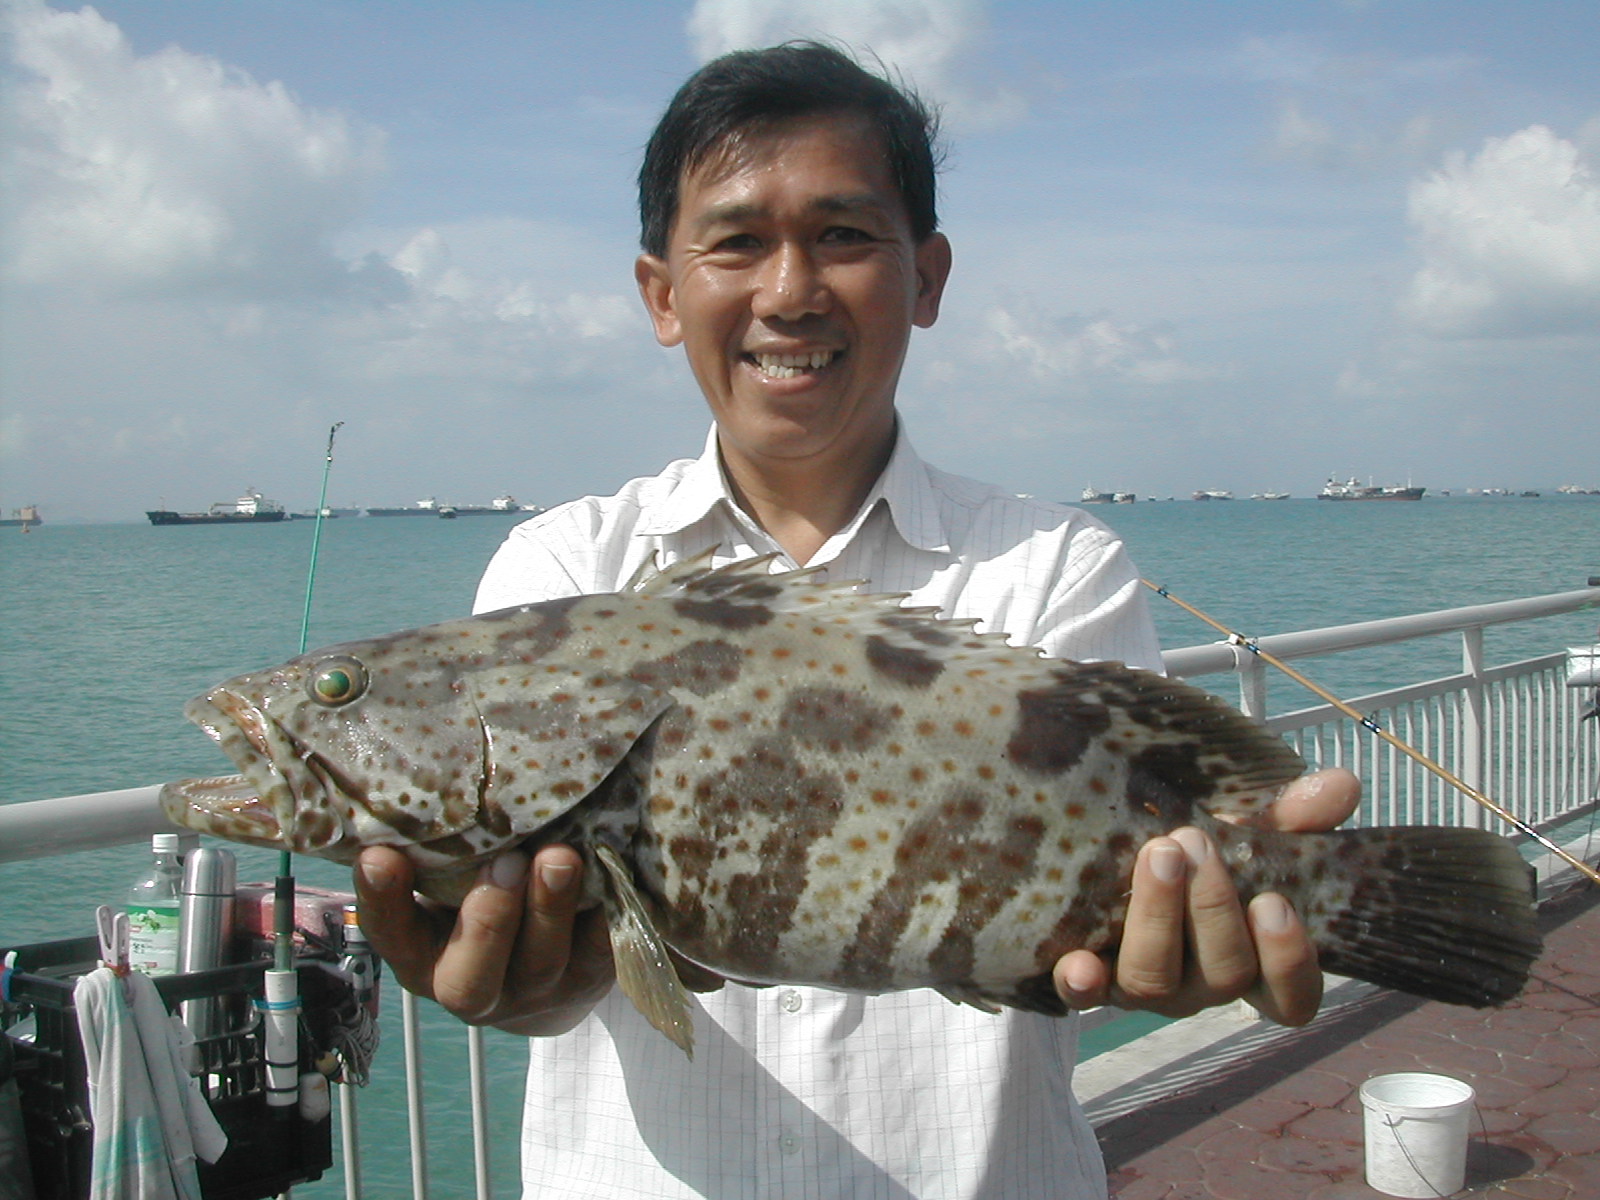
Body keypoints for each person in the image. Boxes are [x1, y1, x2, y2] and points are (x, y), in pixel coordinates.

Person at [355, 42, 1359, 1199]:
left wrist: (1196, 928)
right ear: (662, 294)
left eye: (841, 234)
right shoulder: (561, 572)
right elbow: (557, 958)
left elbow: (1131, 873)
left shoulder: (1054, 567)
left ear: (925, 278)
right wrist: (521, 987)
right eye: (736, 241)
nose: (789, 291)